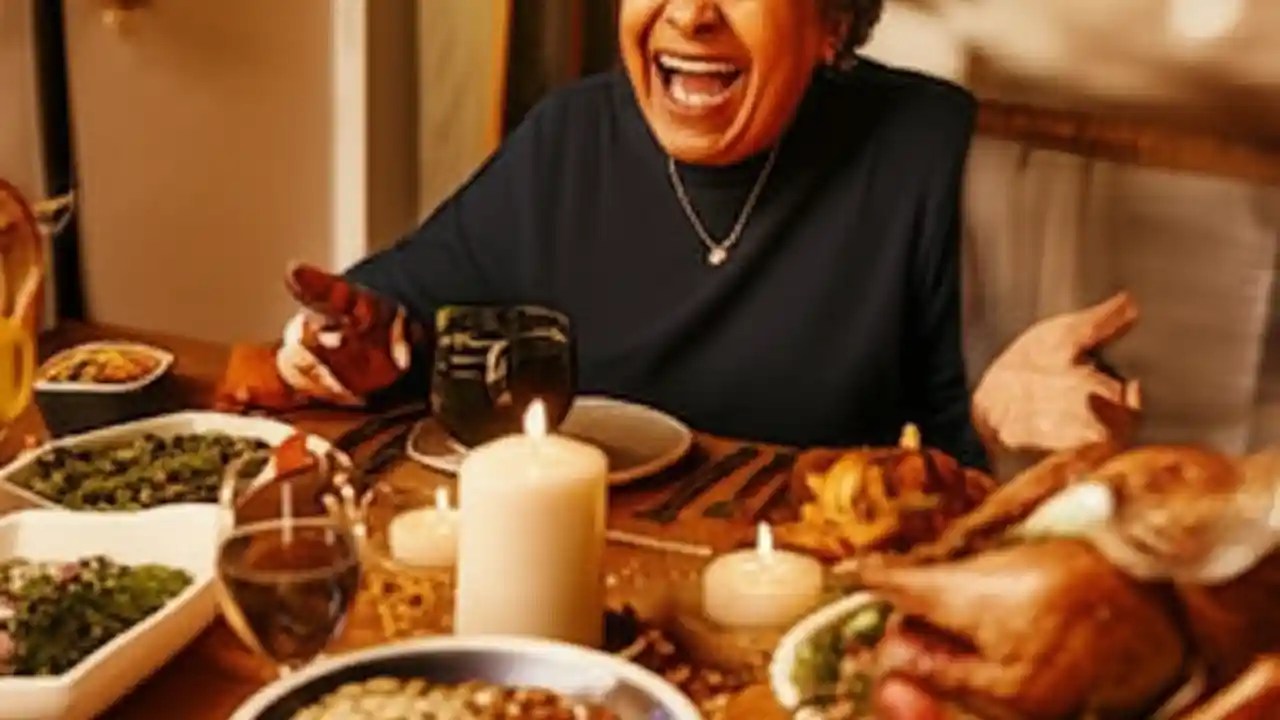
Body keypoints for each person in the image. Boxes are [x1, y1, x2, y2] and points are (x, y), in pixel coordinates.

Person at [218, 0, 1140, 468]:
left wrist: (1001, 426)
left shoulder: (927, 150)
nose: (692, 10)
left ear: (829, 25)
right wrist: (352, 349)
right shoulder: (571, 135)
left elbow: (968, 460)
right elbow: (399, 311)